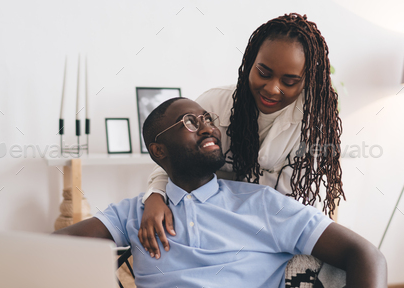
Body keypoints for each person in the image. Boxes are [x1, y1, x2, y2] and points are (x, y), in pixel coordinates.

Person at [54, 97, 387, 288]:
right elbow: (52, 250)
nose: (206, 127)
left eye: (207, 118)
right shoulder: (135, 214)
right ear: (159, 150)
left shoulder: (264, 206)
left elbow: (365, 255)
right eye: (189, 122)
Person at [139, 13, 345, 259]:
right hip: (210, 231)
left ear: (306, 82)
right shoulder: (212, 105)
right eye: (264, 73)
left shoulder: (314, 126)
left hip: (275, 236)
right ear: (250, 63)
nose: (272, 88)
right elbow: (174, 159)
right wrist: (154, 195)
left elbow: (308, 206)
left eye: (289, 81)